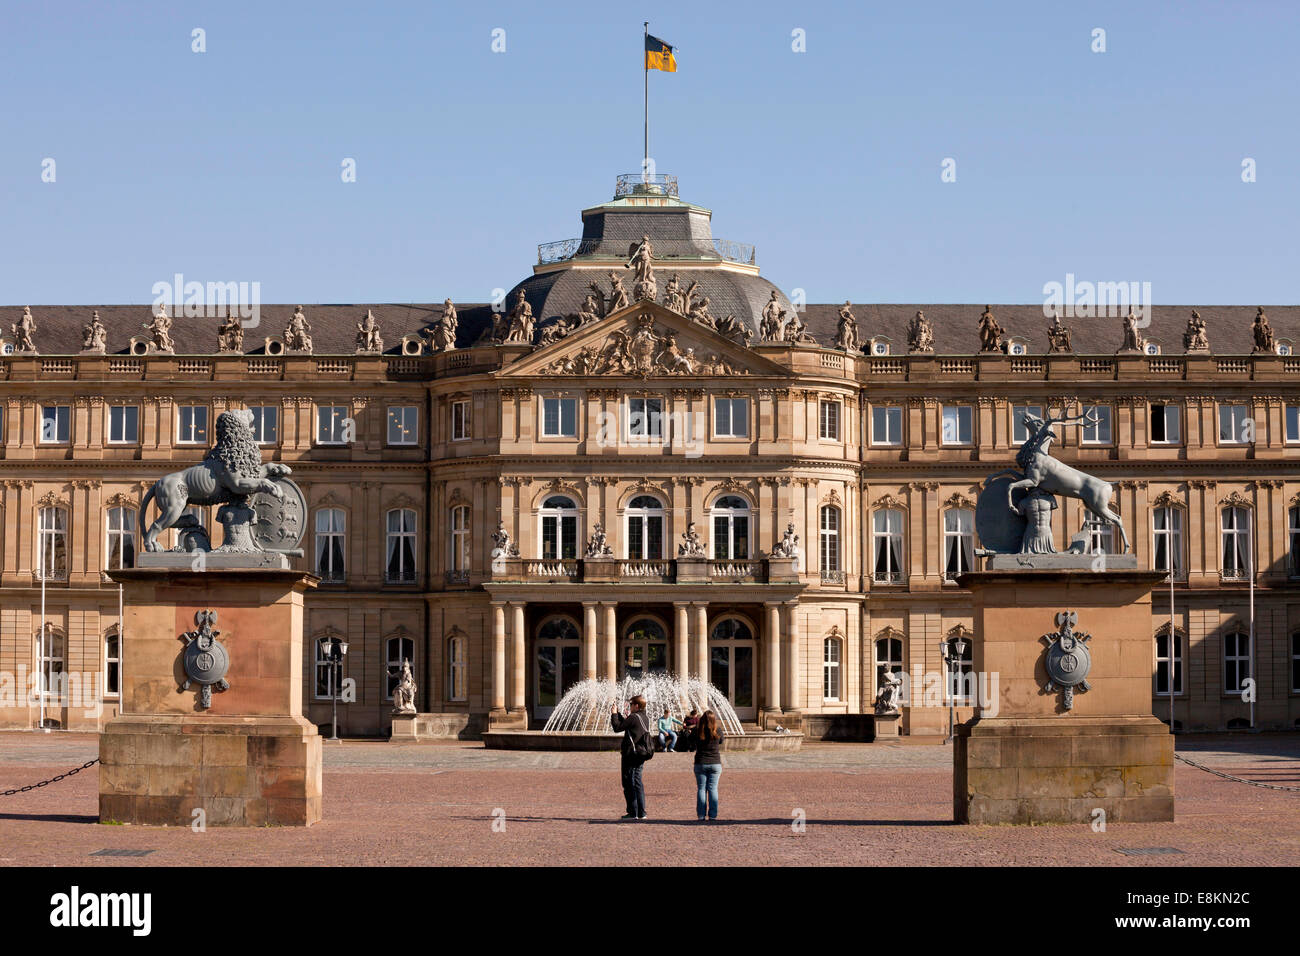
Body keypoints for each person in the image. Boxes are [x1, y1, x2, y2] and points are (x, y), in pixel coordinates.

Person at [610, 695, 650, 820]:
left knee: (628, 782)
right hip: (640, 753)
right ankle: (641, 812)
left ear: (636, 706)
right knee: (637, 781)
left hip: (630, 754)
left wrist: (614, 714)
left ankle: (633, 812)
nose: (630, 706)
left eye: (631, 704)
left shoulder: (634, 717)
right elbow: (627, 725)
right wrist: (619, 714)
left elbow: (617, 728)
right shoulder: (644, 717)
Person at [693, 710, 725, 822]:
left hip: (700, 762)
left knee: (701, 789)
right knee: (713, 789)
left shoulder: (697, 731)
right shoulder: (718, 730)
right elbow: (721, 741)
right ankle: (712, 815)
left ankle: (701, 815)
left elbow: (690, 741)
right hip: (715, 763)